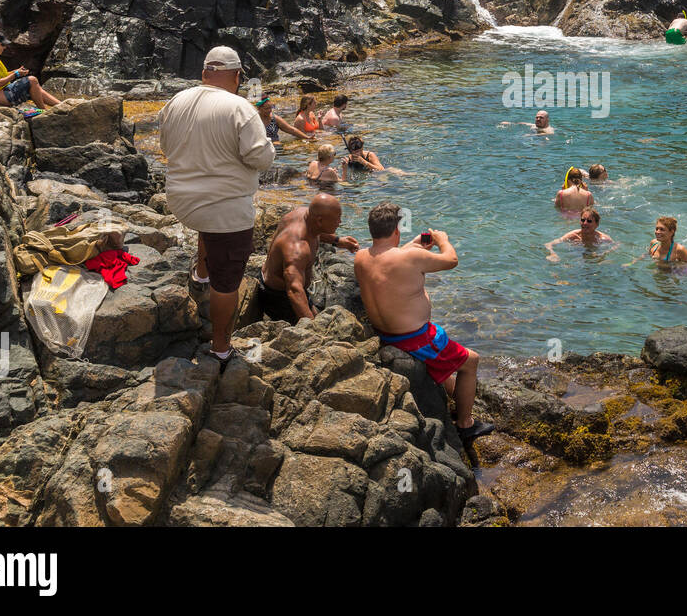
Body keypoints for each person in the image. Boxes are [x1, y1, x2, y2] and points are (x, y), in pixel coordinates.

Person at [159, 46, 275, 365]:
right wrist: (263, 130)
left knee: (210, 225)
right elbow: (261, 159)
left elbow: (166, 147)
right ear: (237, 76)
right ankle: (221, 347)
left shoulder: (176, 101)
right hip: (221, 209)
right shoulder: (240, 108)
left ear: (205, 73)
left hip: (181, 200)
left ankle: (199, 273)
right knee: (228, 282)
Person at [354, 202, 493, 444]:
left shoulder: (361, 257)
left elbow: (392, 257)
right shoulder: (411, 258)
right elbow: (451, 260)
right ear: (396, 230)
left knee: (442, 343)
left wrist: (416, 244)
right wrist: (442, 240)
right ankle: (465, 424)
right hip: (414, 339)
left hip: (386, 334)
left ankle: (452, 394)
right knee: (471, 361)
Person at [256, 193, 358, 324]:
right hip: (278, 297)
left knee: (321, 318)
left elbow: (316, 232)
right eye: (337, 219)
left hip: (289, 288)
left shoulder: (304, 214)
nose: (340, 222)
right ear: (320, 220)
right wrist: (312, 328)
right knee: (319, 324)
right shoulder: (297, 249)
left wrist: (338, 241)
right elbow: (294, 290)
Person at [0, 32, 62, 109]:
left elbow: (2, 75)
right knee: (32, 80)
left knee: (36, 88)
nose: (5, 47)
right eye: (2, 44)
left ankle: (61, 105)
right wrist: (15, 75)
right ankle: (43, 110)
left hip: (1, 91)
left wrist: (16, 71)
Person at [546, 207, 613, 261]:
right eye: (583, 220)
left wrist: (603, 254)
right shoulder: (573, 235)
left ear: (596, 224)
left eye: (589, 221)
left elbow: (615, 246)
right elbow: (549, 244)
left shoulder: (603, 238)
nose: (585, 223)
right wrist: (552, 254)